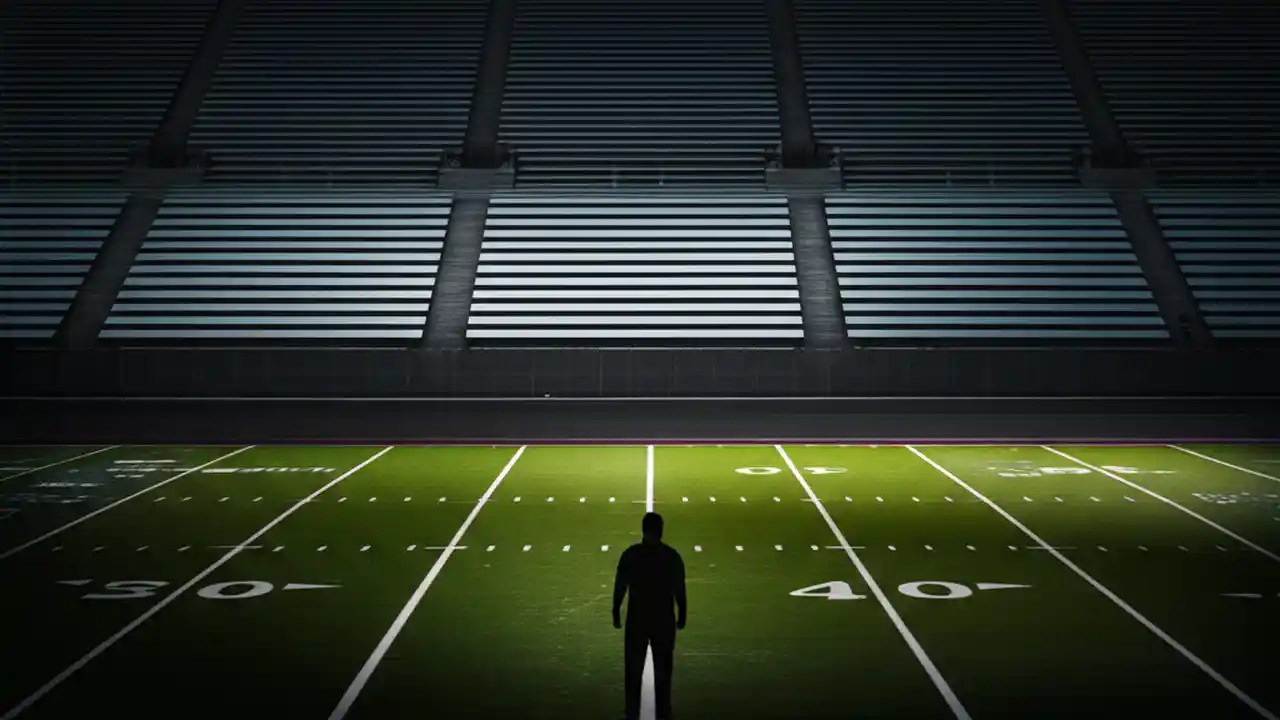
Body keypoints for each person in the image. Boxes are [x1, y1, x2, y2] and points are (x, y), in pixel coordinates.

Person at [613, 512, 687, 720]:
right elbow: (680, 589)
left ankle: (632, 713)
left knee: (633, 674)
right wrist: (682, 614)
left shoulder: (631, 554)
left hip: (637, 621)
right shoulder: (672, 557)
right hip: (663, 621)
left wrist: (615, 611)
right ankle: (663, 712)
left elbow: (620, 585)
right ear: (661, 531)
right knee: (663, 674)